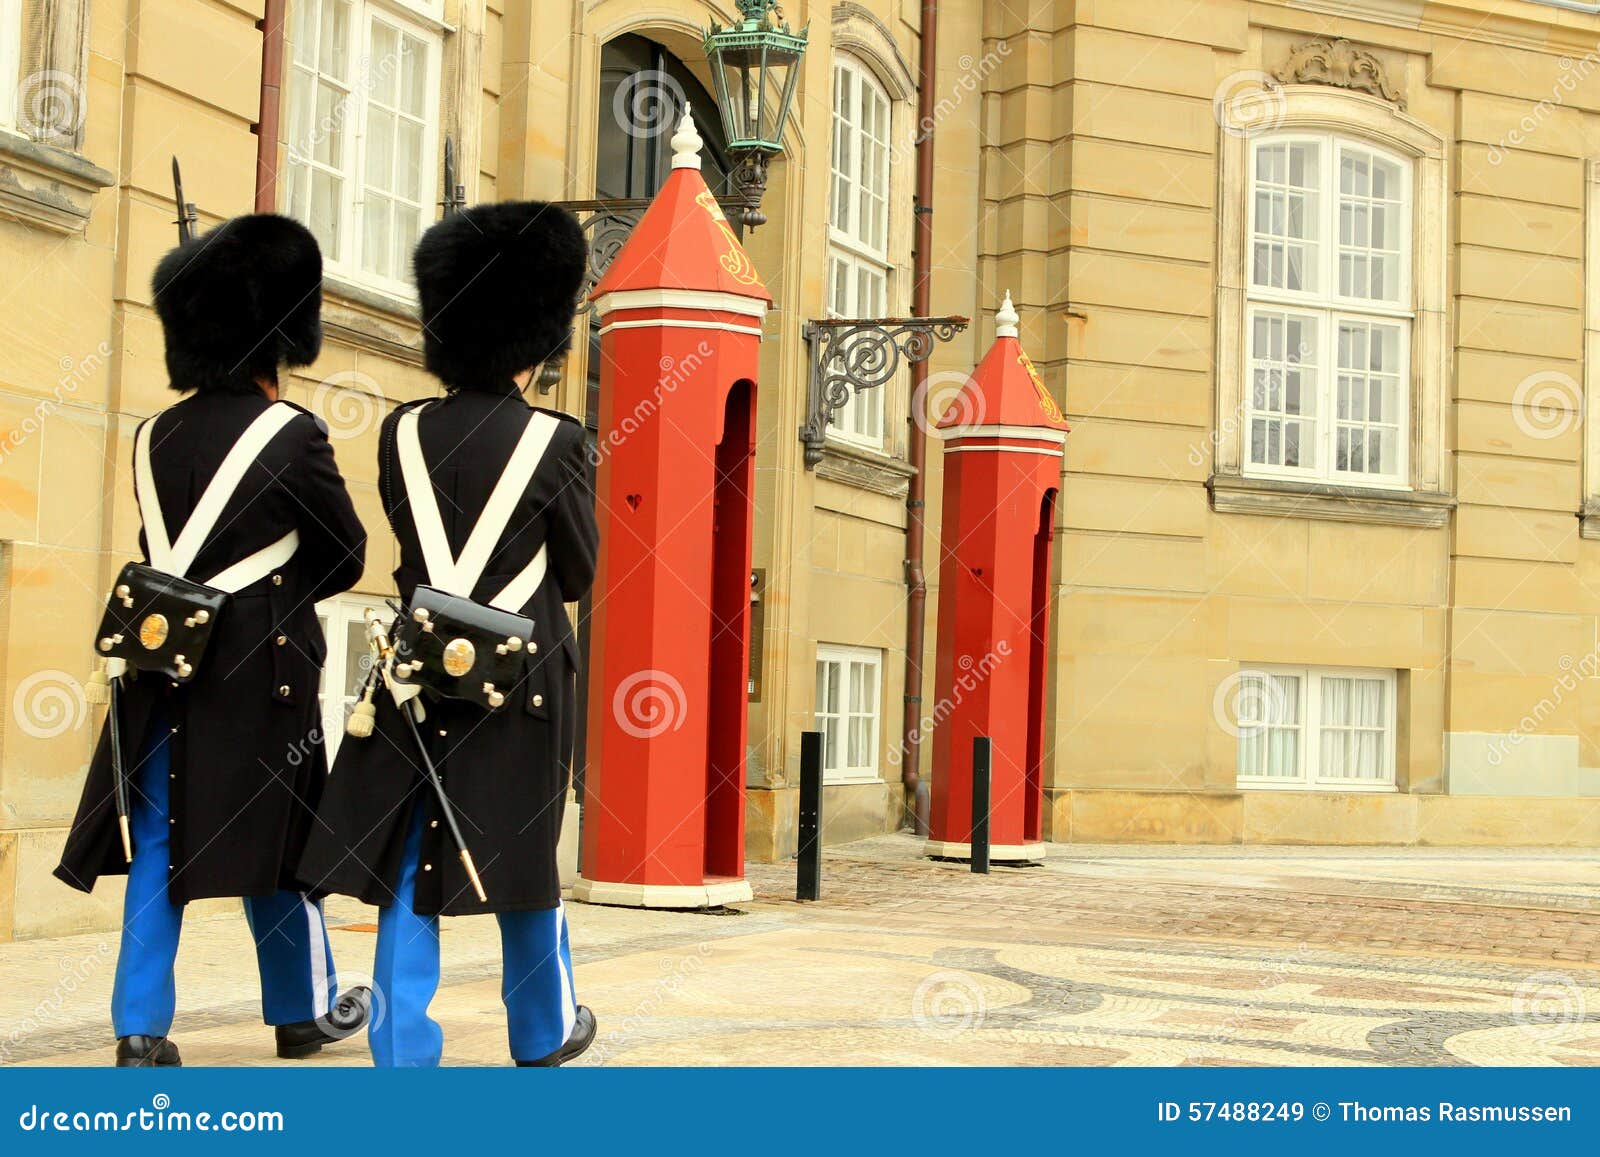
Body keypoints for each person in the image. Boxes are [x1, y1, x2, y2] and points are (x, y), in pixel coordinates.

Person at [55, 214, 371, 1067]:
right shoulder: (294, 431)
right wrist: (271, 602)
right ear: (279, 339)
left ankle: (139, 1029)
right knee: (284, 842)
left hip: (167, 670)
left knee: (159, 845)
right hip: (263, 675)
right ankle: (302, 1012)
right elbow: (347, 555)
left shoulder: (153, 434)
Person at [297, 200, 599, 1068]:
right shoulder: (558, 439)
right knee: (523, 852)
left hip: (419, 669)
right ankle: (542, 1029)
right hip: (525, 674)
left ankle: (399, 1041)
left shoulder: (401, 432)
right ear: (537, 342)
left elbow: (408, 557)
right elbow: (576, 573)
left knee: (408, 855)